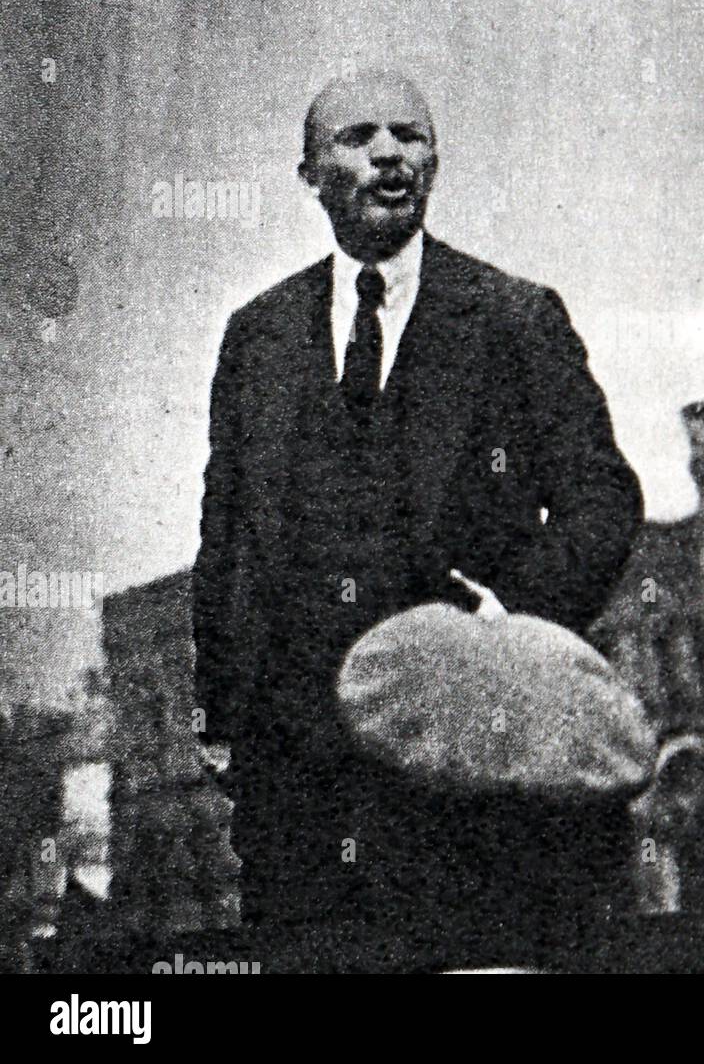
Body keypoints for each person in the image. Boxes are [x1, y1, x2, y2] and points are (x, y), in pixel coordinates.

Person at [192, 69, 643, 930]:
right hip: (298, 781)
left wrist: (509, 621)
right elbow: (226, 538)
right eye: (358, 138)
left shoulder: (513, 317)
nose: (390, 154)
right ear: (309, 173)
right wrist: (221, 709)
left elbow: (602, 500)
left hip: (467, 759)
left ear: (434, 161)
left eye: (411, 135)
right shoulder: (258, 337)